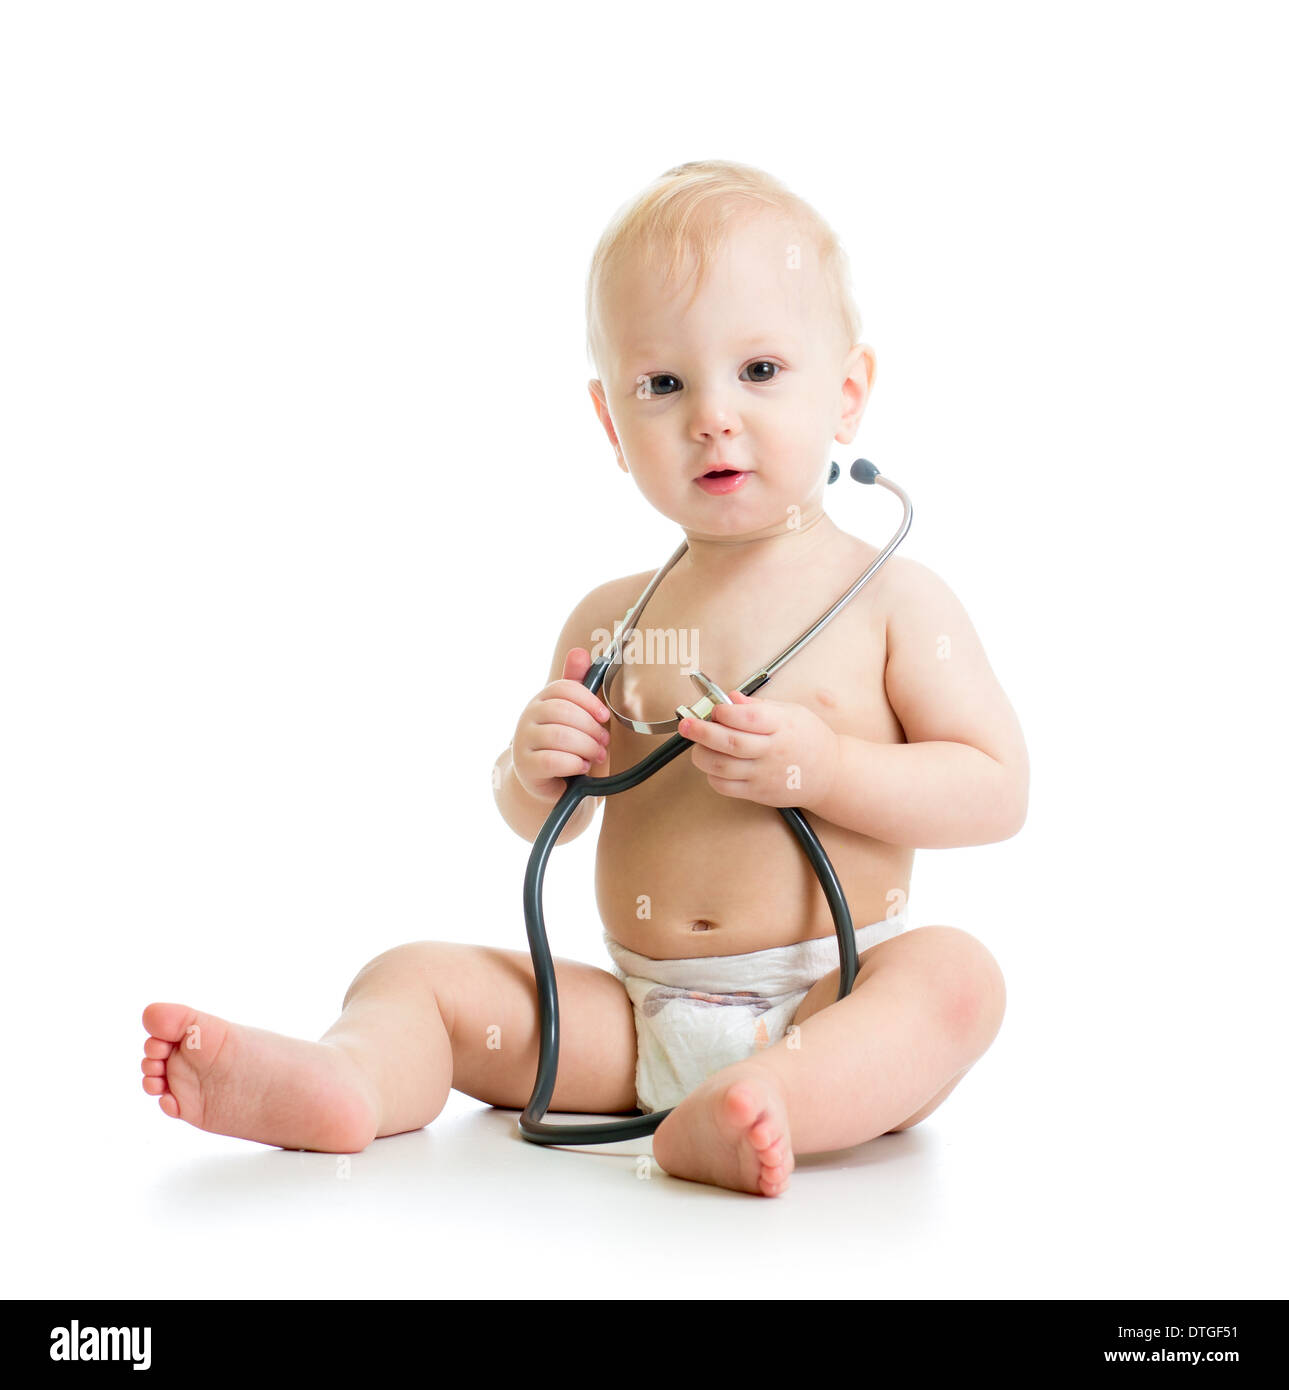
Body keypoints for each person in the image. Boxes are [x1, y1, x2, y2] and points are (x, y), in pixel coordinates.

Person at [141, 159, 1027, 1197]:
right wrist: (532, 771)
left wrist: (826, 768)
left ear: (846, 396)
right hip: (628, 1013)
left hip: (827, 1002)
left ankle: (770, 1102)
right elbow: (544, 823)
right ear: (611, 424)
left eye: (758, 370)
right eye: (662, 384)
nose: (710, 415)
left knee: (956, 978)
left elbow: (994, 787)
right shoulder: (612, 619)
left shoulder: (892, 601)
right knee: (416, 976)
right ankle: (351, 1079)